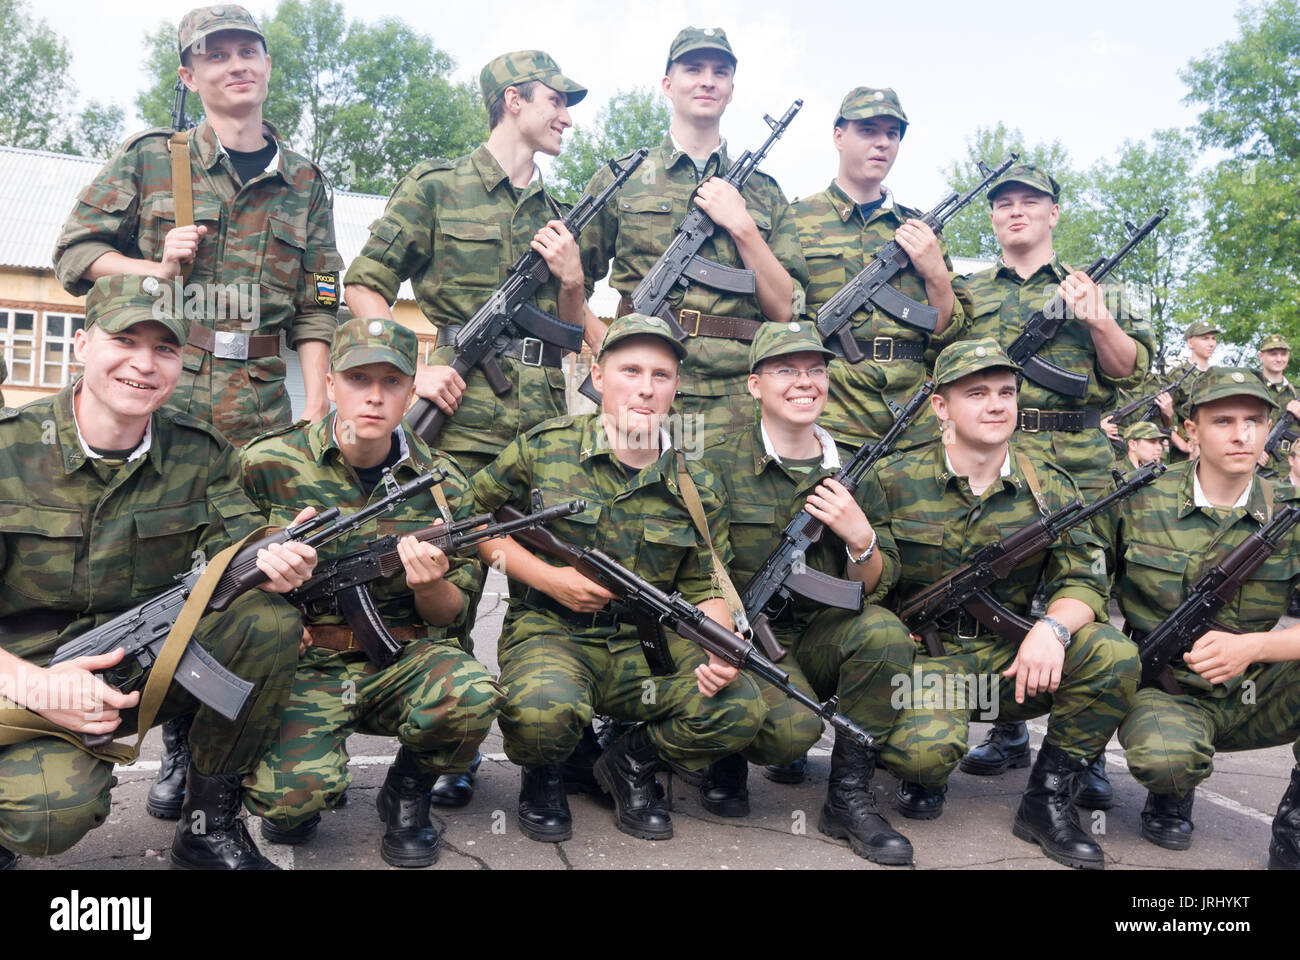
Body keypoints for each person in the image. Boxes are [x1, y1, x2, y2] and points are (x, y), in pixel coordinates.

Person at [52, 5, 344, 815]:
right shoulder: (155, 161)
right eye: (214, 57)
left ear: (266, 65)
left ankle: (193, 743)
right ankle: (101, 718)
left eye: (247, 50)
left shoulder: (309, 183)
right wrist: (148, 264)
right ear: (191, 75)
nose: (233, 65)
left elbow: (319, 305)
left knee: (241, 581)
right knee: (152, 570)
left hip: (257, 407)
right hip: (165, 396)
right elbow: (74, 257)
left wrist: (314, 405)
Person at [0, 274, 316, 871]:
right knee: (45, 815)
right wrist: (35, 684)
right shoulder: (10, 451)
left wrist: (275, 557)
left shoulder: (201, 451)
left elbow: (237, 551)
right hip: (24, 672)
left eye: (165, 348)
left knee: (266, 618)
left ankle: (208, 827)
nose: (144, 365)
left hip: (141, 661)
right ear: (83, 344)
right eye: (125, 340)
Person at [343, 48, 591, 803]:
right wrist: (409, 365)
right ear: (513, 100)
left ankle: (548, 745)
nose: (567, 117)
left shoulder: (560, 215)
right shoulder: (437, 185)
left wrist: (575, 280)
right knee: (451, 575)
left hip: (541, 415)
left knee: (544, 578)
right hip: (459, 417)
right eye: (556, 102)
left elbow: (574, 336)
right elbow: (361, 283)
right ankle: (445, 750)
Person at [468, 313, 769, 843]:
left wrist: (721, 647)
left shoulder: (695, 483)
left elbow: (706, 583)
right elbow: (473, 525)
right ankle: (544, 773)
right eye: (631, 370)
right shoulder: (544, 447)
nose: (646, 389)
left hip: (643, 647)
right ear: (599, 376)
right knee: (541, 713)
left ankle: (630, 765)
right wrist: (547, 577)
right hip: (551, 632)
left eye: (661, 375)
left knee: (741, 705)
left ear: (676, 387)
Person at [237, 316, 502, 867]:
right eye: (359, 380)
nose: (375, 398)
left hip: (401, 657)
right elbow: (220, 577)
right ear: (331, 383)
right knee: (286, 809)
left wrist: (428, 586)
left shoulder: (445, 484)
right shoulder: (268, 464)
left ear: (413, 390)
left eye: (391, 383)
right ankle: (301, 788)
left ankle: (407, 793)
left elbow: (454, 616)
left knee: (472, 694)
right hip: (301, 663)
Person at [863, 338, 1136, 869]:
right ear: (941, 406)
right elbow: (870, 589)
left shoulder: (1051, 488)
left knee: (1112, 655)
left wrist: (1052, 630)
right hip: (927, 665)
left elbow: (1085, 581)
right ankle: (921, 770)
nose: (995, 404)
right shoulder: (892, 479)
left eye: (1006, 392)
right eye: (977, 392)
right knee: (922, 756)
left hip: (1014, 665)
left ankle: (1047, 800)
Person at [952, 164, 1153, 786]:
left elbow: (1132, 371)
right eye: (1004, 203)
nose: (1017, 212)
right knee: (1003, 579)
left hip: (1079, 453)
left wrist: (1096, 317)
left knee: (1088, 589)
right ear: (992, 216)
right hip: (1001, 450)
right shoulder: (971, 293)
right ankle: (1009, 730)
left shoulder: (1101, 288)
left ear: (1053, 213)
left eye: (1030, 203)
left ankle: (1082, 749)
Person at [698, 321, 917, 863]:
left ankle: (848, 797)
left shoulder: (855, 471)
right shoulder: (718, 463)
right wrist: (723, 637)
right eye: (786, 371)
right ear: (755, 385)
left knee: (885, 634)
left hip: (820, 634)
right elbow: (703, 567)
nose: (804, 382)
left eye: (815, 371)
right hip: (741, 631)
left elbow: (875, 587)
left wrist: (859, 535)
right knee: (787, 736)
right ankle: (722, 757)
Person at [577, 26, 807, 446]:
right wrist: (603, 343)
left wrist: (742, 226)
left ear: (731, 90)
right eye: (693, 69)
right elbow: (568, 278)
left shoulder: (764, 192)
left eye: (720, 72)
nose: (707, 80)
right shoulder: (623, 178)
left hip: (737, 396)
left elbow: (786, 310)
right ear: (668, 84)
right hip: (642, 392)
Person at [1113, 368, 1300, 868]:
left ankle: (1294, 828)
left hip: (1254, 690)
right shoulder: (1139, 500)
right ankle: (1174, 787)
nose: (1241, 434)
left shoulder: (1292, 512)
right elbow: (1087, 593)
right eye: (1223, 421)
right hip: (1167, 687)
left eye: (1254, 421)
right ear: (1191, 431)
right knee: (1167, 762)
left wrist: (1255, 647)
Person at [791, 86, 961, 448]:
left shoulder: (921, 230)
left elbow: (950, 333)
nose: (882, 143)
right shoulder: (795, 220)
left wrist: (935, 274)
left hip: (913, 422)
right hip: (828, 418)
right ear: (839, 136)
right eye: (868, 131)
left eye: (892, 134)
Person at [1162, 320, 1219, 459]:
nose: (1211, 343)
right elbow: (1160, 417)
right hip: (1188, 451)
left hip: (1216, 447)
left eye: (1213, 338)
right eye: (1205, 338)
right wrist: (1181, 443)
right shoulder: (1177, 376)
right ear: (1190, 343)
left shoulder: (1218, 376)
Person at [1255, 333, 1300, 476]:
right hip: (1258, 470)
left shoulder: (1296, 393)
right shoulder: (1251, 390)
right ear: (1261, 356)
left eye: (1283, 354)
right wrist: (1252, 450)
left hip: (1293, 474)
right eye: (1273, 354)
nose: (1279, 359)